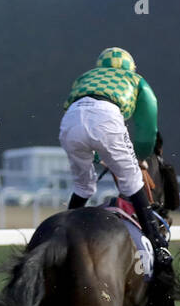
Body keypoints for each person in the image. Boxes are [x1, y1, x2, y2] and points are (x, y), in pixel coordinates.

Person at [59, 47, 172, 267]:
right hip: (106, 118)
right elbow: (147, 128)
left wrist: (97, 158)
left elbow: (78, 118)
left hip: (70, 122)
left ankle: (64, 230)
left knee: (84, 186)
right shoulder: (136, 80)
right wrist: (139, 156)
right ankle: (157, 244)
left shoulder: (85, 77)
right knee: (132, 181)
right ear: (131, 67)